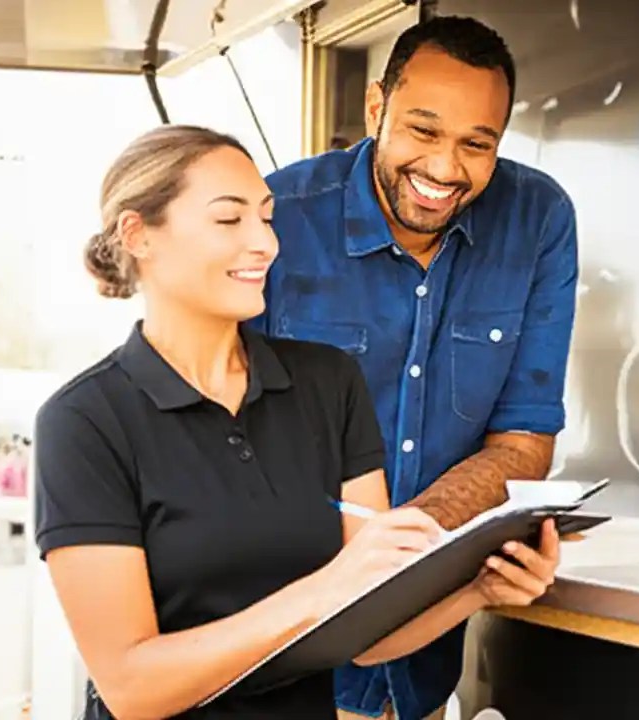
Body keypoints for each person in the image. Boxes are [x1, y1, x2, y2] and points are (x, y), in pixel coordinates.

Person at [33, 124, 562, 720]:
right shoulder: (84, 424)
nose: (265, 243)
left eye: (266, 217)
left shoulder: (327, 385)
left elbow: (366, 630)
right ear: (139, 235)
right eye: (230, 221)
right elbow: (132, 686)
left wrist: (478, 589)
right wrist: (324, 590)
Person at [250, 16, 580, 720]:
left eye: (476, 144)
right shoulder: (276, 219)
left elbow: (523, 445)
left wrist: (407, 546)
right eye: (423, 132)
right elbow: (219, 441)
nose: (444, 168)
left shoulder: (540, 221)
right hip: (278, 675)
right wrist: (363, 563)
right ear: (376, 109)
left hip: (421, 673)